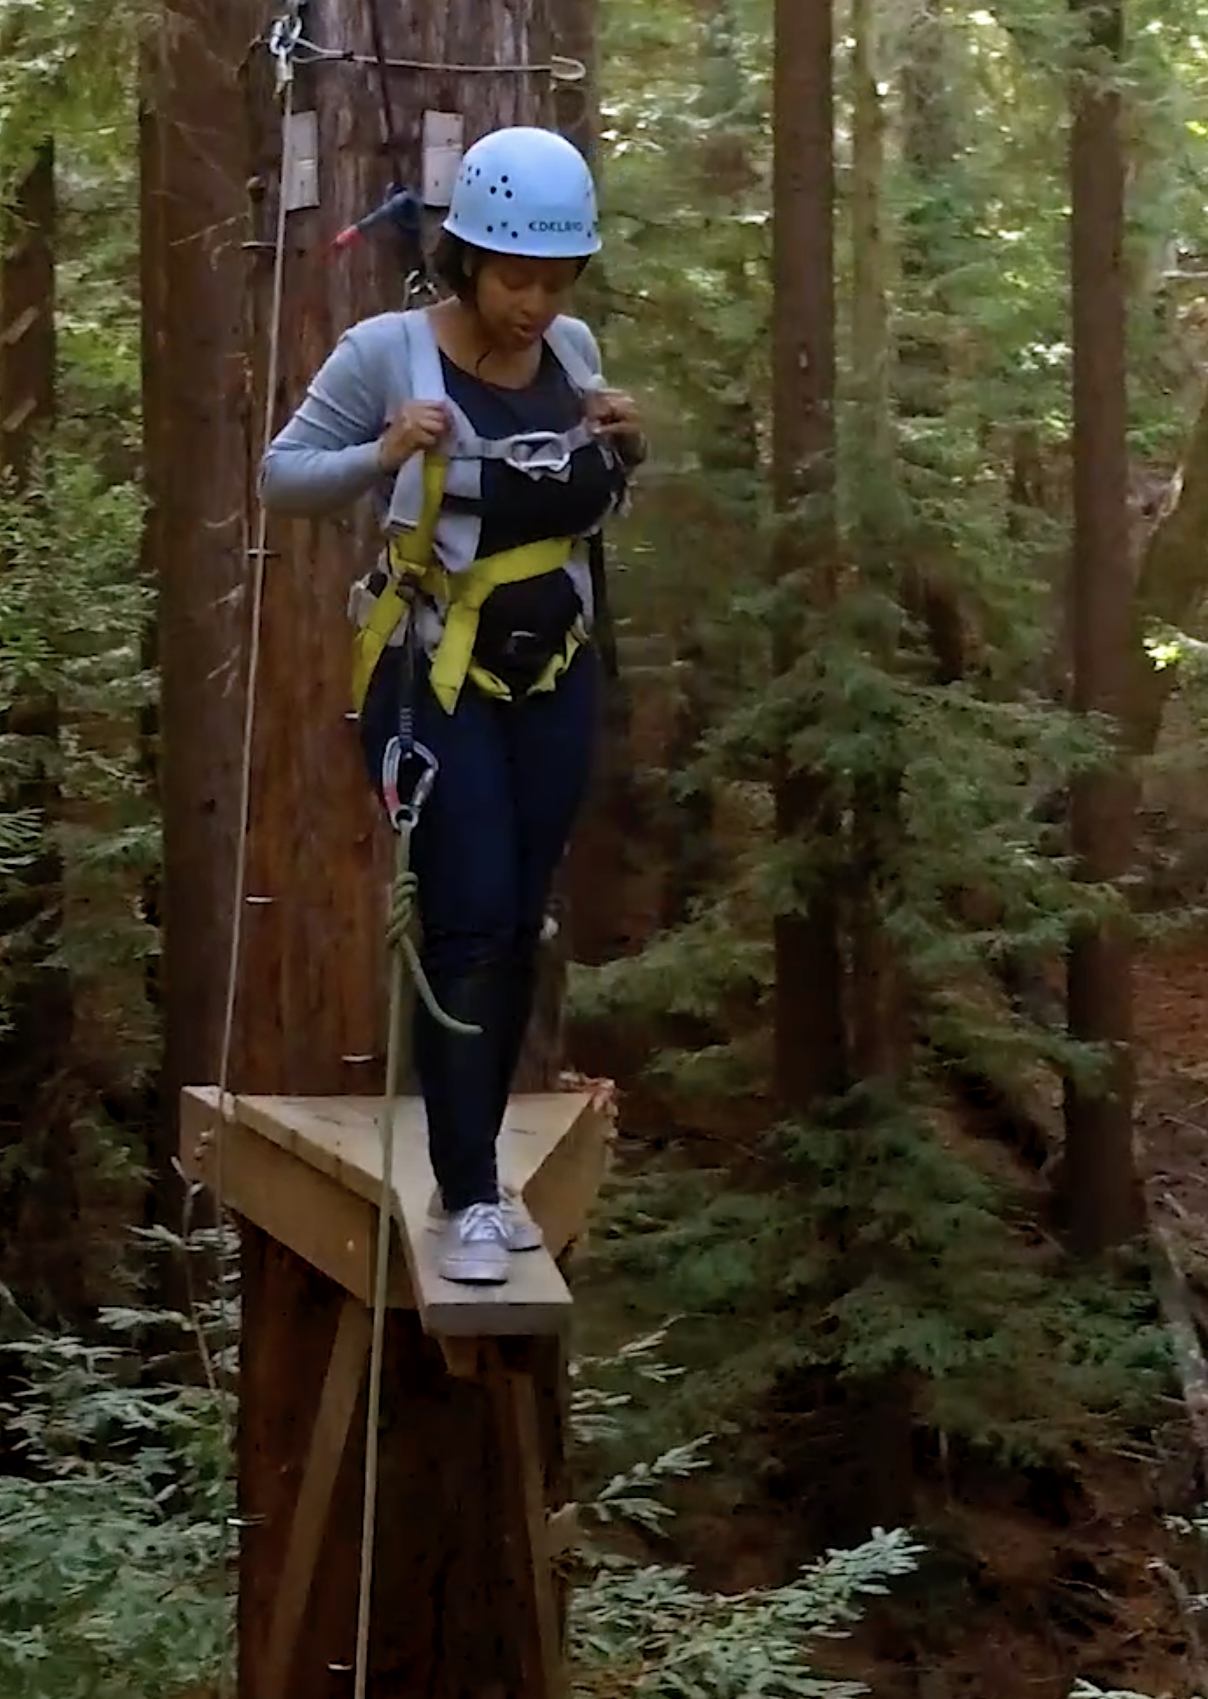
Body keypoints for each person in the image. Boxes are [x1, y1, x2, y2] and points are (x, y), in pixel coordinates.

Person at [259, 125, 646, 1286]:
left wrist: (629, 451)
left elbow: (579, 512)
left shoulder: (570, 350)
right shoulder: (388, 353)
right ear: (465, 258)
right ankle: (469, 1193)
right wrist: (380, 453)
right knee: (468, 915)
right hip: (431, 675)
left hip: (553, 675)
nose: (535, 303)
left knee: (518, 910)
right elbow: (282, 478)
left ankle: (476, 1169)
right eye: (515, 277)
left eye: (554, 278)